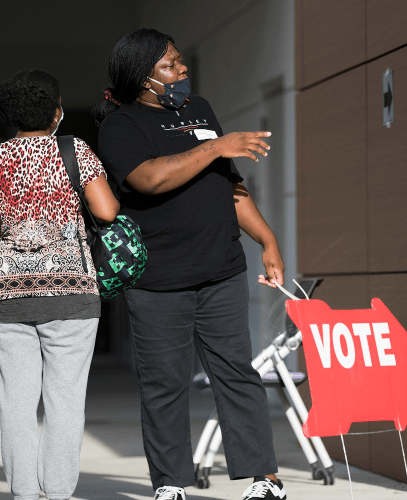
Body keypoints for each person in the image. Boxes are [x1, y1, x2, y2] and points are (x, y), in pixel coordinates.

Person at [93, 29, 286, 500]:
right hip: (158, 280)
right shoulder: (120, 126)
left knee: (237, 372)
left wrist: (267, 240)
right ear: (143, 79)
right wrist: (217, 146)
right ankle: (171, 485)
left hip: (221, 270)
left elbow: (231, 188)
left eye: (180, 62)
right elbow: (148, 179)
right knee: (165, 384)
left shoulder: (197, 110)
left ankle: (265, 479)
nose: (181, 71)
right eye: (170, 65)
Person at [0, 68, 118, 500]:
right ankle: (57, 492)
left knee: (16, 401)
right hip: (71, 293)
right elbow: (106, 212)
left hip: (7, 294)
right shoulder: (75, 151)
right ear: (56, 112)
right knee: (65, 401)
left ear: (12, 115)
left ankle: (23, 494)